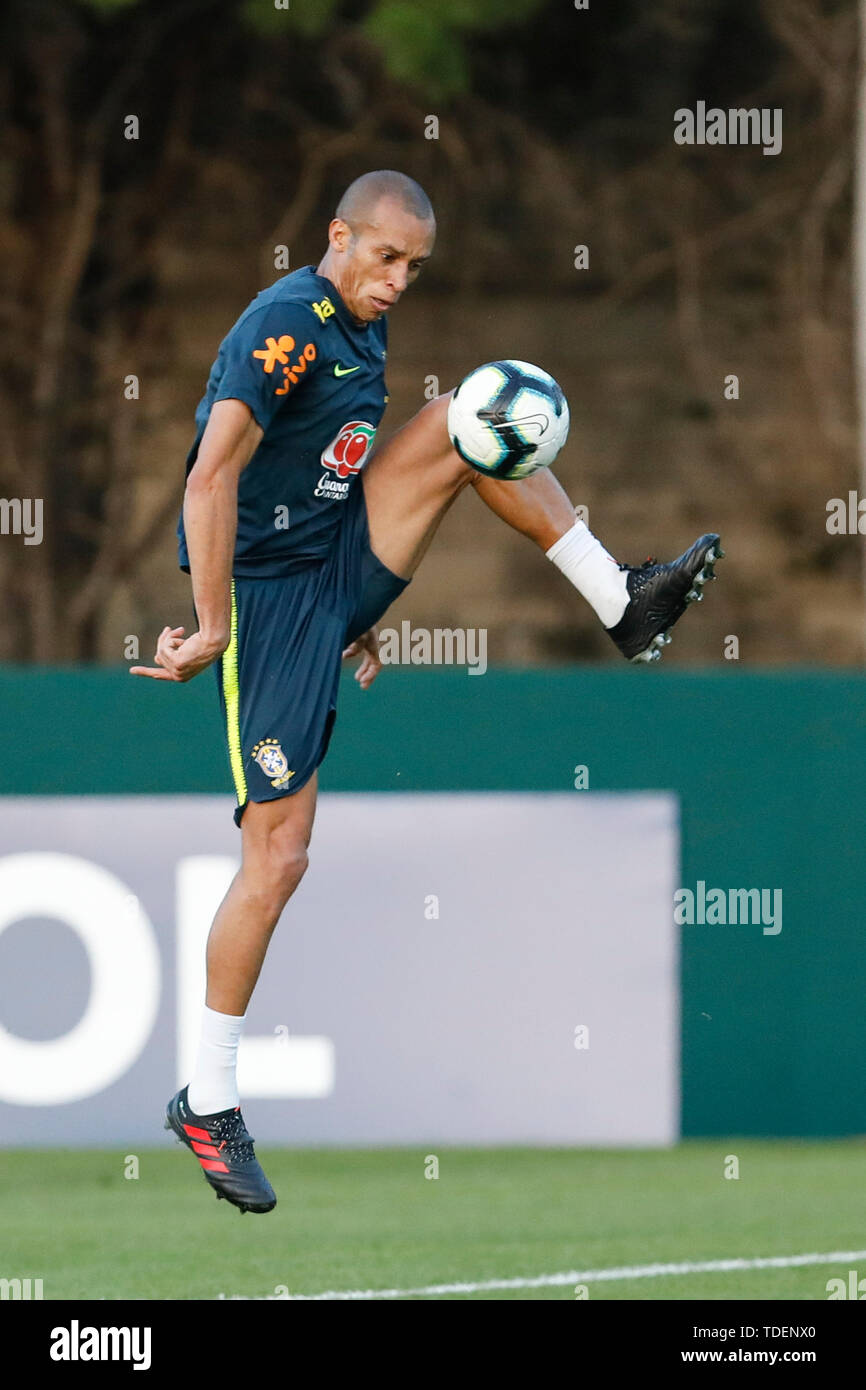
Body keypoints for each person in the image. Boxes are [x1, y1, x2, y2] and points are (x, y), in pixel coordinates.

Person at [132, 170, 722, 1213]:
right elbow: (209, 477)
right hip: (266, 605)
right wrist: (215, 623)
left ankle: (619, 601)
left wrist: (357, 611)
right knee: (279, 854)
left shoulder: (362, 328)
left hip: (331, 567)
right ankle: (207, 1095)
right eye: (385, 258)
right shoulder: (283, 325)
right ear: (337, 238)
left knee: (472, 416)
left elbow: (332, 468)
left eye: (415, 267)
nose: (399, 281)